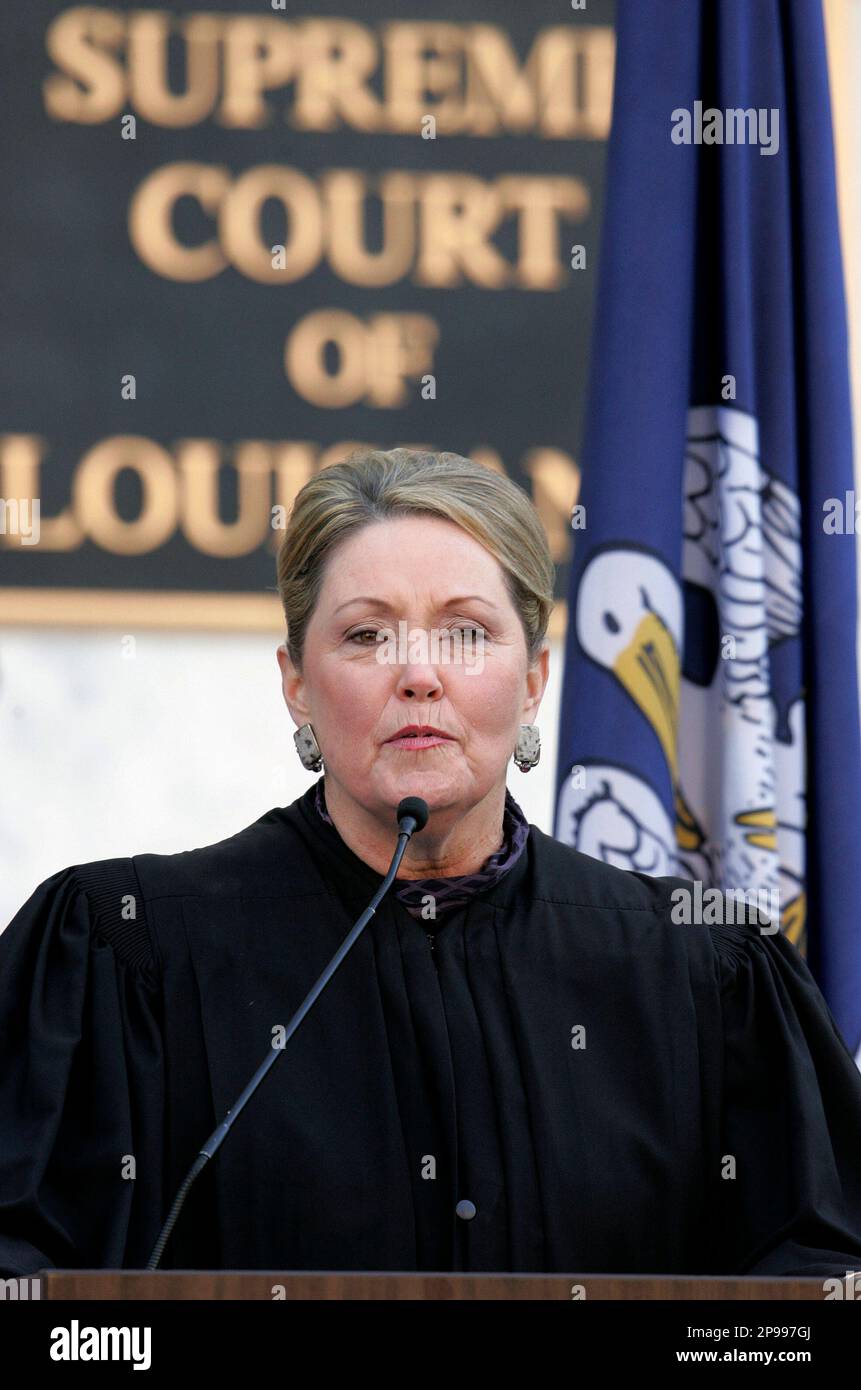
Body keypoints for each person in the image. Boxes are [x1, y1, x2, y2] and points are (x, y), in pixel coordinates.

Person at [2, 447, 861, 1280]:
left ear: (532, 680)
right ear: (296, 681)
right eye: (368, 634)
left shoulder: (700, 974)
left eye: (465, 632)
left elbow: (818, 1277)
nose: (418, 673)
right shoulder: (126, 952)